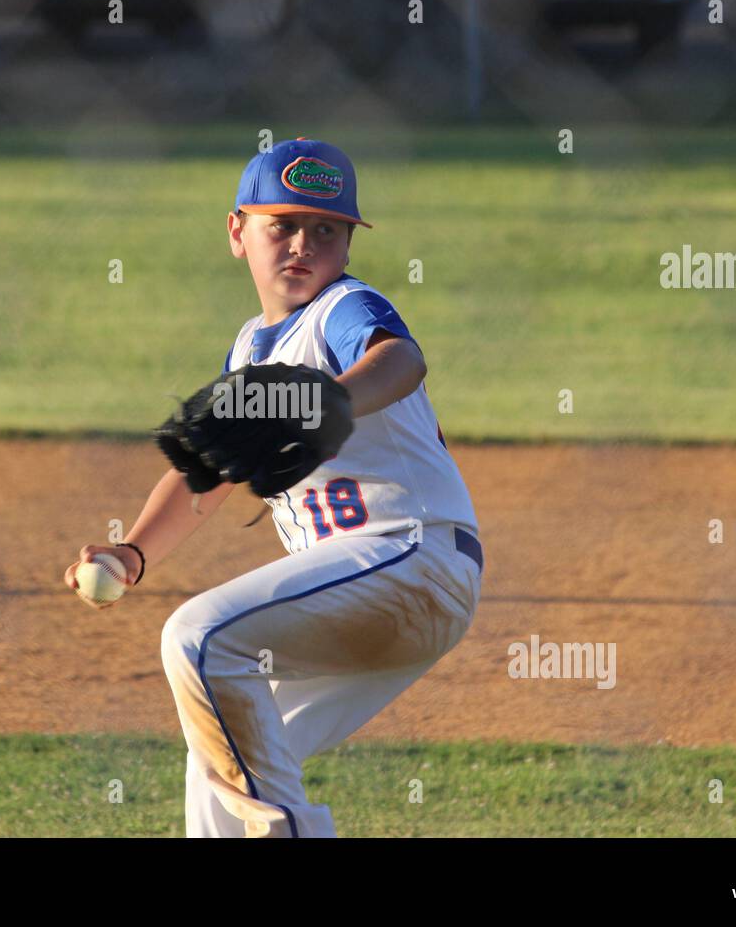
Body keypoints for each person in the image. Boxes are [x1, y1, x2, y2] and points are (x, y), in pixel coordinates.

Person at [64, 138, 483, 836]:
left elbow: (401, 359)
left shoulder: (344, 307)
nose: (302, 245)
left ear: (348, 247)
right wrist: (132, 553)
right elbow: (205, 474)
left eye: (326, 230)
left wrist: (329, 402)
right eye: (281, 225)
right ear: (237, 232)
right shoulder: (249, 350)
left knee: (197, 636)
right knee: (217, 752)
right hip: (359, 600)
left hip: (412, 558)